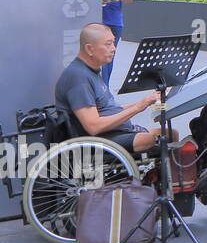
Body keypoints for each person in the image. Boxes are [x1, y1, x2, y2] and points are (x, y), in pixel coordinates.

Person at [57, 24, 164, 153]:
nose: (113, 48)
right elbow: (93, 126)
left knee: (170, 134)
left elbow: (111, 110)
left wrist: (148, 101)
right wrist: (138, 107)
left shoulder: (92, 71)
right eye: (108, 44)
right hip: (98, 140)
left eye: (113, 43)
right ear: (90, 49)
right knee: (152, 139)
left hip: (117, 131)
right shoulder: (78, 77)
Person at [90, 0, 135, 88]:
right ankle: (95, 86)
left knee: (109, 56)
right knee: (95, 55)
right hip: (99, 22)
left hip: (115, 22)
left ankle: (105, 88)